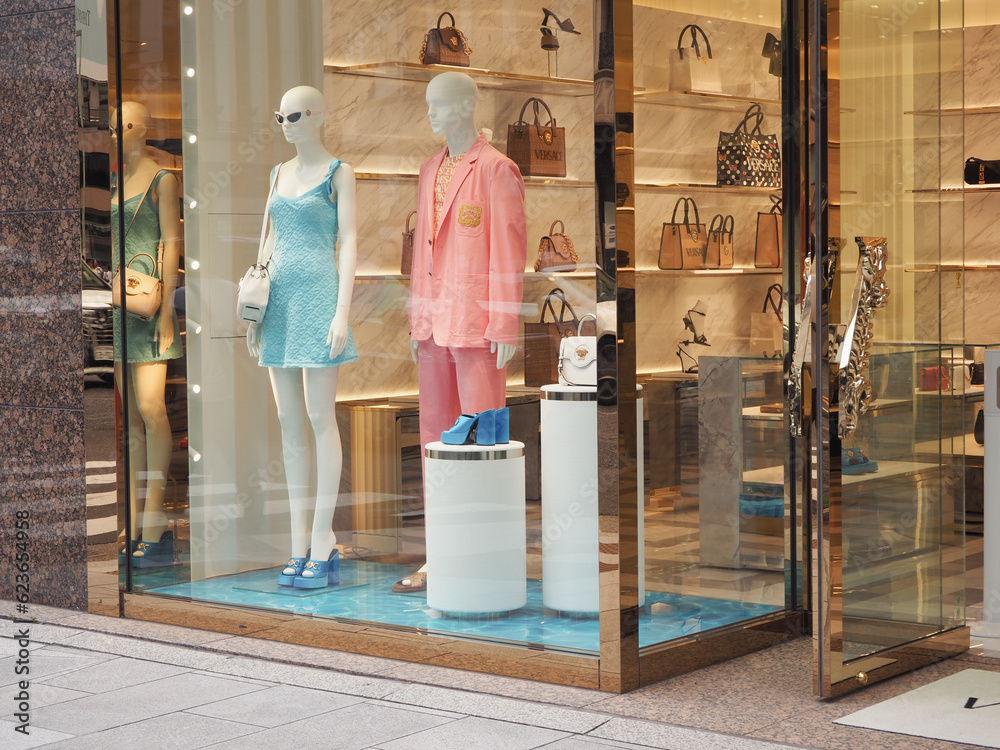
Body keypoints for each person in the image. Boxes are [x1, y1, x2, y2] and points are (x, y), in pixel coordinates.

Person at [400, 72, 527, 592]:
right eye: (428, 103)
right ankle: (441, 551)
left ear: (467, 106)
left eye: (440, 103)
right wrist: (416, 316)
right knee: (435, 441)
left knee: (480, 440)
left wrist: (504, 319)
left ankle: (480, 553)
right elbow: (421, 253)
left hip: (476, 328)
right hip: (434, 324)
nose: (430, 112)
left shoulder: (497, 169)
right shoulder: (430, 168)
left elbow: (509, 248)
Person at [246, 85, 358, 589]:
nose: (285, 124)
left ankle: (322, 539)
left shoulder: (340, 173)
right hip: (279, 304)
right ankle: (297, 545)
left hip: (319, 298)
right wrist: (254, 310)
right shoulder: (276, 174)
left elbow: (350, 242)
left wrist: (342, 312)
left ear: (317, 117)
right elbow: (265, 239)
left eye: (292, 115)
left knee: (319, 417)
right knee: (289, 423)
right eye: (279, 115)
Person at [112, 101, 183, 568]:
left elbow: (170, 244)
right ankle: (138, 518)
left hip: (150, 306)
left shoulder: (163, 179)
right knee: (129, 420)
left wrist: (166, 312)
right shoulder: (117, 183)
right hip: (123, 306)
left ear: (137, 128)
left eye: (120, 124)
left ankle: (155, 518)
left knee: (152, 410)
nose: (113, 132)